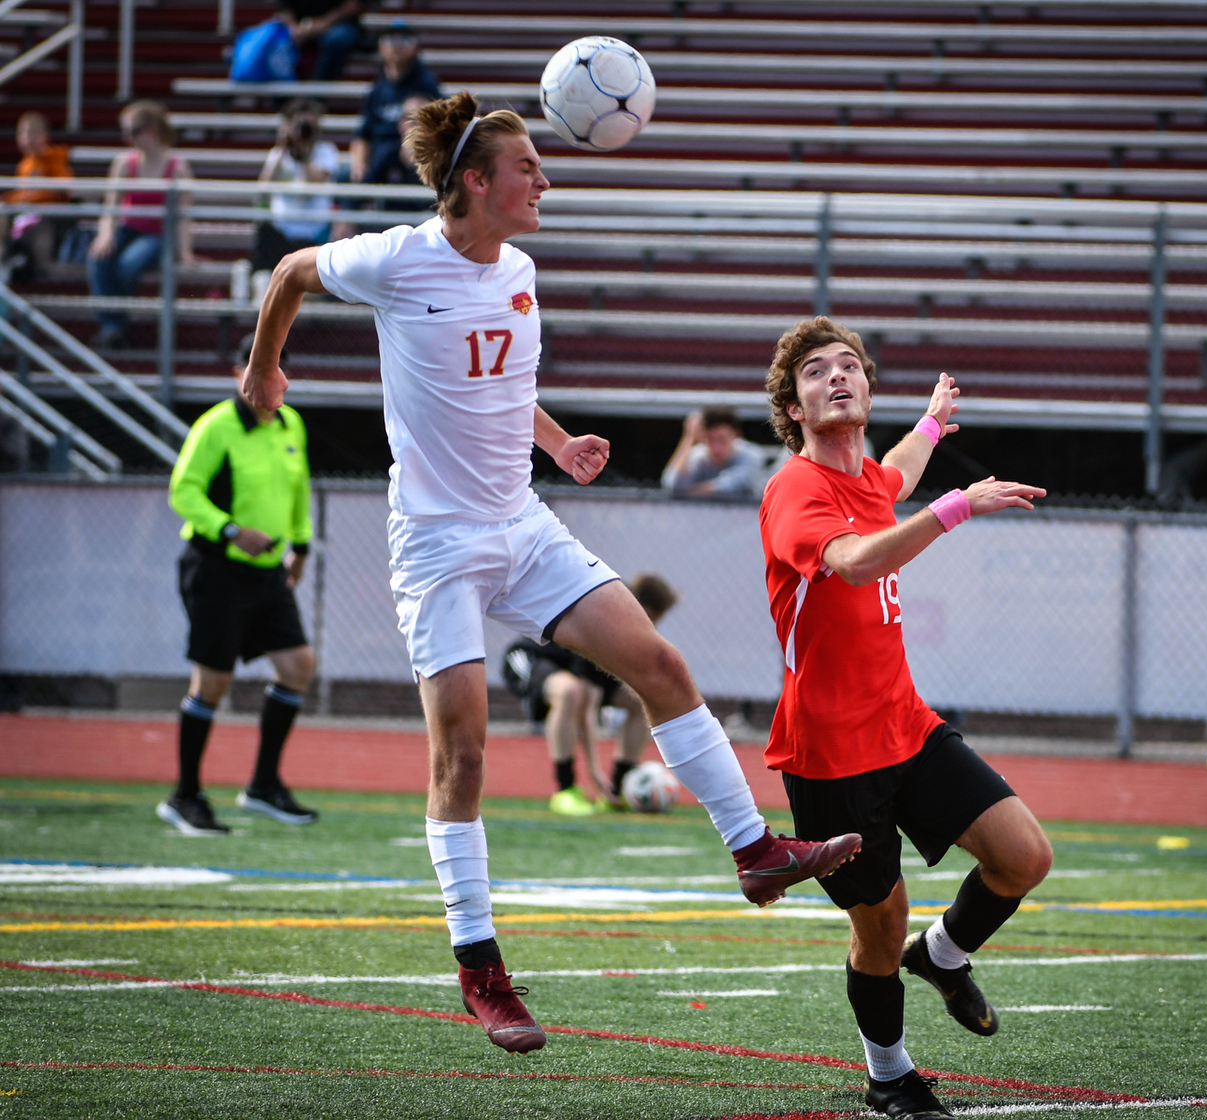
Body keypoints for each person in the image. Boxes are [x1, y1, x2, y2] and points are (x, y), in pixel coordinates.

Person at [240, 90, 861, 1057]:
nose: (545, 179)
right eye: (528, 166)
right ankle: (480, 968)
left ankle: (754, 851)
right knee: (467, 755)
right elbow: (285, 271)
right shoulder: (397, 260)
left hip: (523, 527)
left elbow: (497, 384)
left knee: (659, 664)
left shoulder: (520, 269)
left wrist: (559, 442)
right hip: (438, 544)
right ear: (475, 183)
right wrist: (263, 370)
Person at [759, 316, 1054, 1120]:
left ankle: (946, 955)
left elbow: (894, 470)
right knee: (878, 929)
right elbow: (854, 562)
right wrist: (960, 504)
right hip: (831, 756)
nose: (837, 376)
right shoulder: (794, 487)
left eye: (848, 364)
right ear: (794, 406)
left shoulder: (868, 481)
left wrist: (933, 419)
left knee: (1024, 856)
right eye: (815, 372)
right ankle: (889, 1074)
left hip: (906, 726)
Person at [161, 334, 318, 837]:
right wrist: (231, 529)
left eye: (276, 369)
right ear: (239, 374)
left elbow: (298, 490)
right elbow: (182, 491)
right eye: (258, 368)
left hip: (268, 571)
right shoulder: (216, 427)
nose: (270, 381)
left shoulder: (291, 425)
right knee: (213, 681)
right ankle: (184, 796)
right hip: (216, 568)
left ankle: (263, 786)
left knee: (298, 666)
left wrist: (301, 546)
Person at [504, 573, 679, 816]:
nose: (651, 626)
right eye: (651, 618)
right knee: (569, 692)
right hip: (530, 658)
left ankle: (617, 790)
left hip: (568, 671)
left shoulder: (622, 628)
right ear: (642, 608)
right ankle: (565, 790)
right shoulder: (604, 619)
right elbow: (587, 711)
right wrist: (594, 772)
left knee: (640, 701)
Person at [86, 101, 194, 350]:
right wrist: (106, 235)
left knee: (128, 264)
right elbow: (111, 207)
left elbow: (183, 216)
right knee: (98, 258)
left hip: (157, 234)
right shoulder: (124, 163)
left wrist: (185, 251)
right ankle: (111, 327)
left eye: (134, 132)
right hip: (129, 228)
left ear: (152, 130)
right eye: (125, 132)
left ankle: (115, 326)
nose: (128, 138)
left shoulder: (178, 167)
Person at [252, 99, 341, 281]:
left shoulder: (327, 152)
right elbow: (263, 188)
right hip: (281, 232)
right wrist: (282, 148)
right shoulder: (278, 154)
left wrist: (303, 156)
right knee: (263, 235)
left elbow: (314, 186)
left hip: (314, 233)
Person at [348, 24, 440, 185]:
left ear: (415, 47)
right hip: (378, 156)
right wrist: (359, 166)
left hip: (411, 157)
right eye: (390, 40)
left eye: (404, 40)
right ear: (381, 47)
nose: (396, 45)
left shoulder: (426, 86)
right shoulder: (377, 90)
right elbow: (363, 135)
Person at [3, 112, 73, 284]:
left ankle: (42, 267)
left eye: (34, 134)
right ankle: (6, 254)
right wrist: (11, 199)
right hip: (24, 212)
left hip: (48, 213)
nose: (29, 139)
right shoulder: (24, 164)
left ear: (45, 137)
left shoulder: (55, 158)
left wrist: (33, 197)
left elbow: (63, 189)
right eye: (25, 134)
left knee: (40, 225)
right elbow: (22, 193)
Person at [662, 406, 767, 499]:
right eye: (710, 440)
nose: (716, 448)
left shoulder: (752, 456)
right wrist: (689, 438)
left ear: (736, 435)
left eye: (722, 440)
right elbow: (671, 484)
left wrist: (687, 493)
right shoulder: (699, 456)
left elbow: (725, 488)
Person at [276, 0, 373, 81]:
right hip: (301, 26)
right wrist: (294, 28)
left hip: (340, 24)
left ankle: (314, 96)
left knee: (337, 40)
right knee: (274, 39)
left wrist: (323, 23)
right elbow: (285, 7)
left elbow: (355, 5)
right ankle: (286, 100)